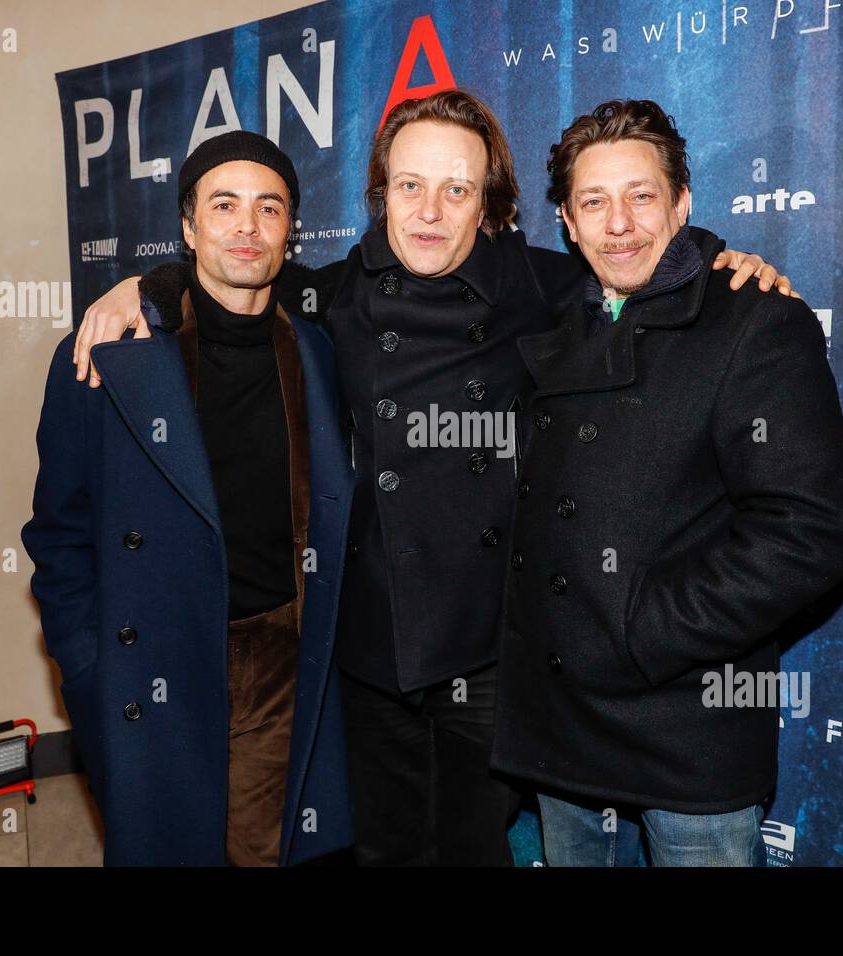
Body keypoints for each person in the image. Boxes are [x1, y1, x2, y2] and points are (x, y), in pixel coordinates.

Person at [71, 90, 795, 866]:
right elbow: (234, 277)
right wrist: (143, 289)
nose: (430, 211)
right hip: (369, 642)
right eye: (410, 186)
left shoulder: (544, 288)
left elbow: (640, 259)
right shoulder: (335, 292)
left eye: (457, 189)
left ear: (490, 206)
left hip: (488, 648)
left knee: (472, 849)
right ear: (382, 195)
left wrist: (723, 261)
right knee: (378, 849)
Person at [489, 99, 843, 866]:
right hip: (561, 715)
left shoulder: (755, 320)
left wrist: (645, 629)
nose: (619, 224)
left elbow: (808, 533)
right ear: (566, 219)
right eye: (594, 202)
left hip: (686, 720)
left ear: (682, 203)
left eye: (642, 195)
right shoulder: (564, 317)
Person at [21, 130, 353, 866]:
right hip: (154, 661)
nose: (246, 225)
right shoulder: (108, 356)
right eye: (224, 204)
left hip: (276, 659)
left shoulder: (318, 352)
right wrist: (87, 663)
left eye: (268, 208)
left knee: (258, 853)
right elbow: (57, 534)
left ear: (290, 231)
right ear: (187, 227)